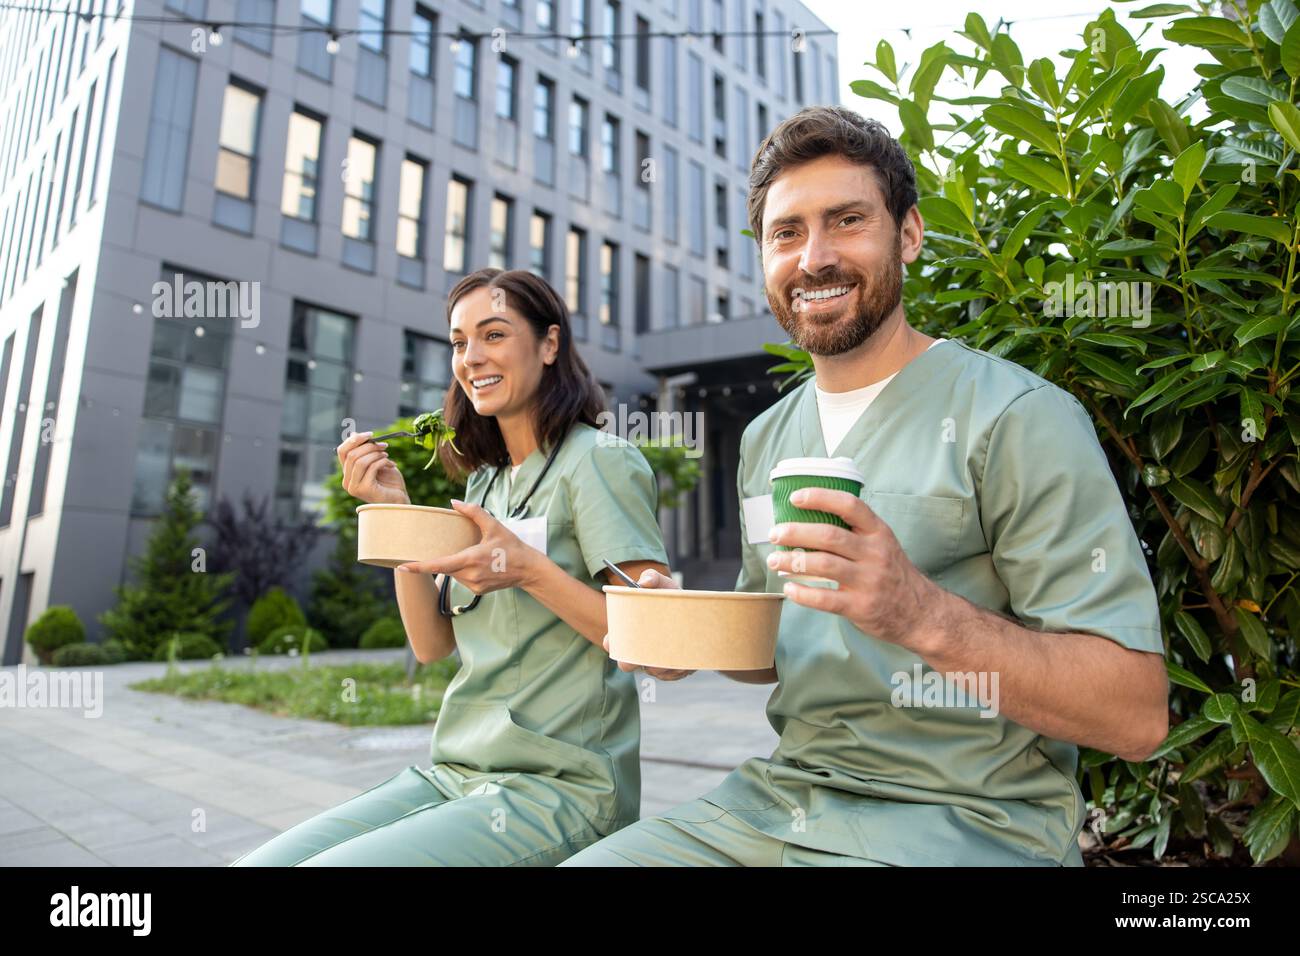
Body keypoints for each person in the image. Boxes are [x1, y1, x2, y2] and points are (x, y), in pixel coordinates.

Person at [562, 106, 1169, 867]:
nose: (814, 258)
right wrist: (675, 629)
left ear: (907, 235)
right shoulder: (766, 439)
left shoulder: (1018, 418)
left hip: (973, 821)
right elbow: (771, 647)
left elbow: (1136, 714)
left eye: (847, 220)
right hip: (785, 802)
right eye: (786, 233)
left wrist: (921, 614)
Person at [233, 268, 671, 866]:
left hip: (560, 787)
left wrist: (529, 570)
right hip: (457, 770)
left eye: (493, 335)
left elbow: (656, 646)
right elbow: (432, 643)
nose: (471, 358)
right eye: (459, 342)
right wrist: (395, 515)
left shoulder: (598, 462)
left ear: (549, 344)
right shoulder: (483, 485)